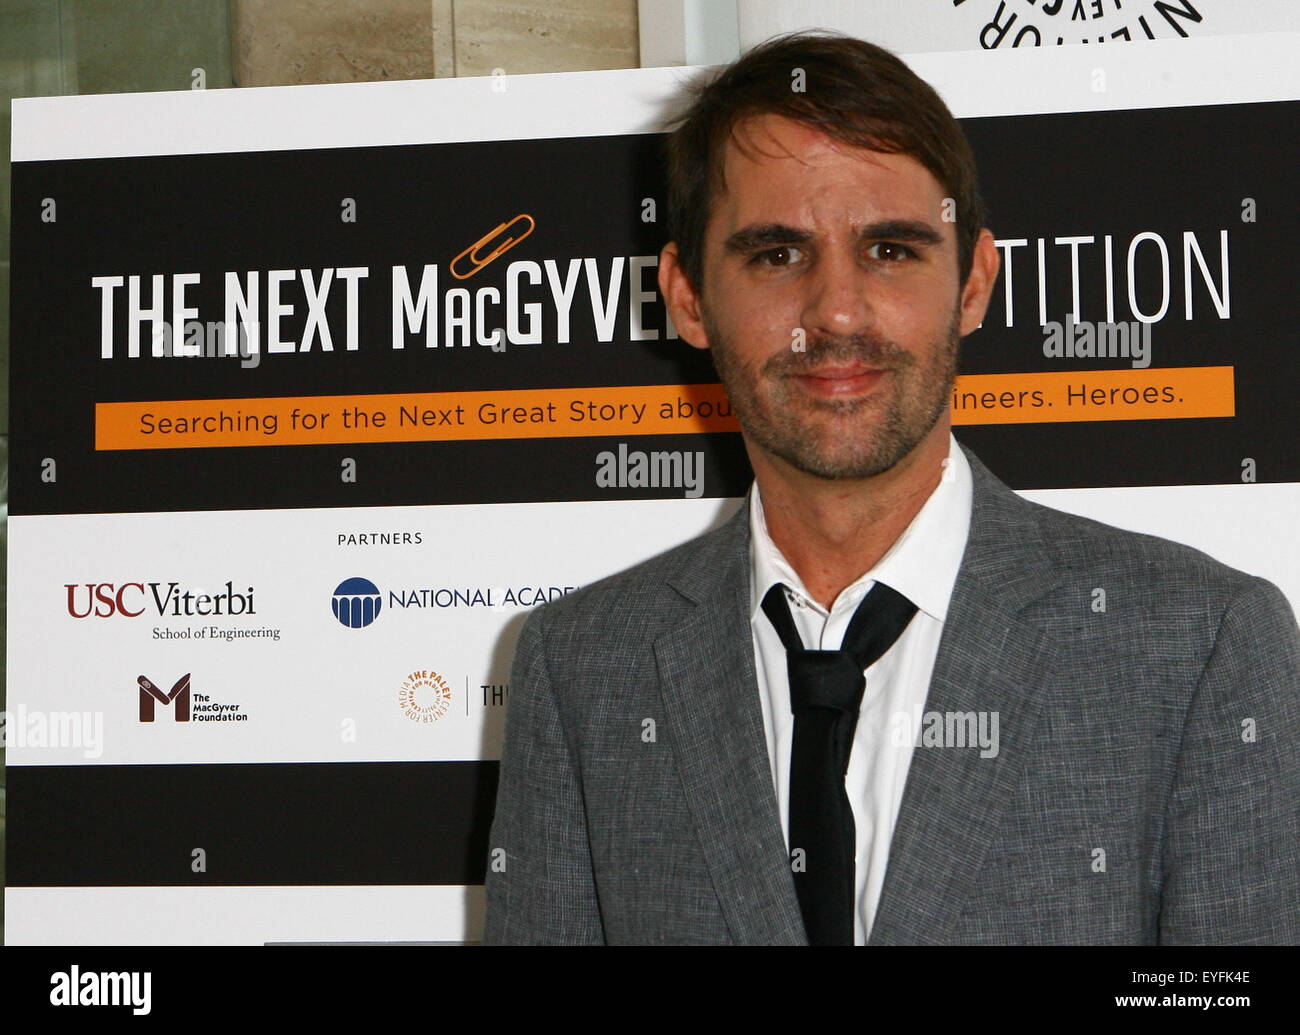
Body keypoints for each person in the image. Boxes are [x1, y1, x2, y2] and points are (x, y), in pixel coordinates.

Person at [483, 32, 1299, 945]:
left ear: (973, 284)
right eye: (778, 254)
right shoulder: (582, 669)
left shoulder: (1198, 649)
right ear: (686, 296)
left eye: (892, 250)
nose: (835, 310)